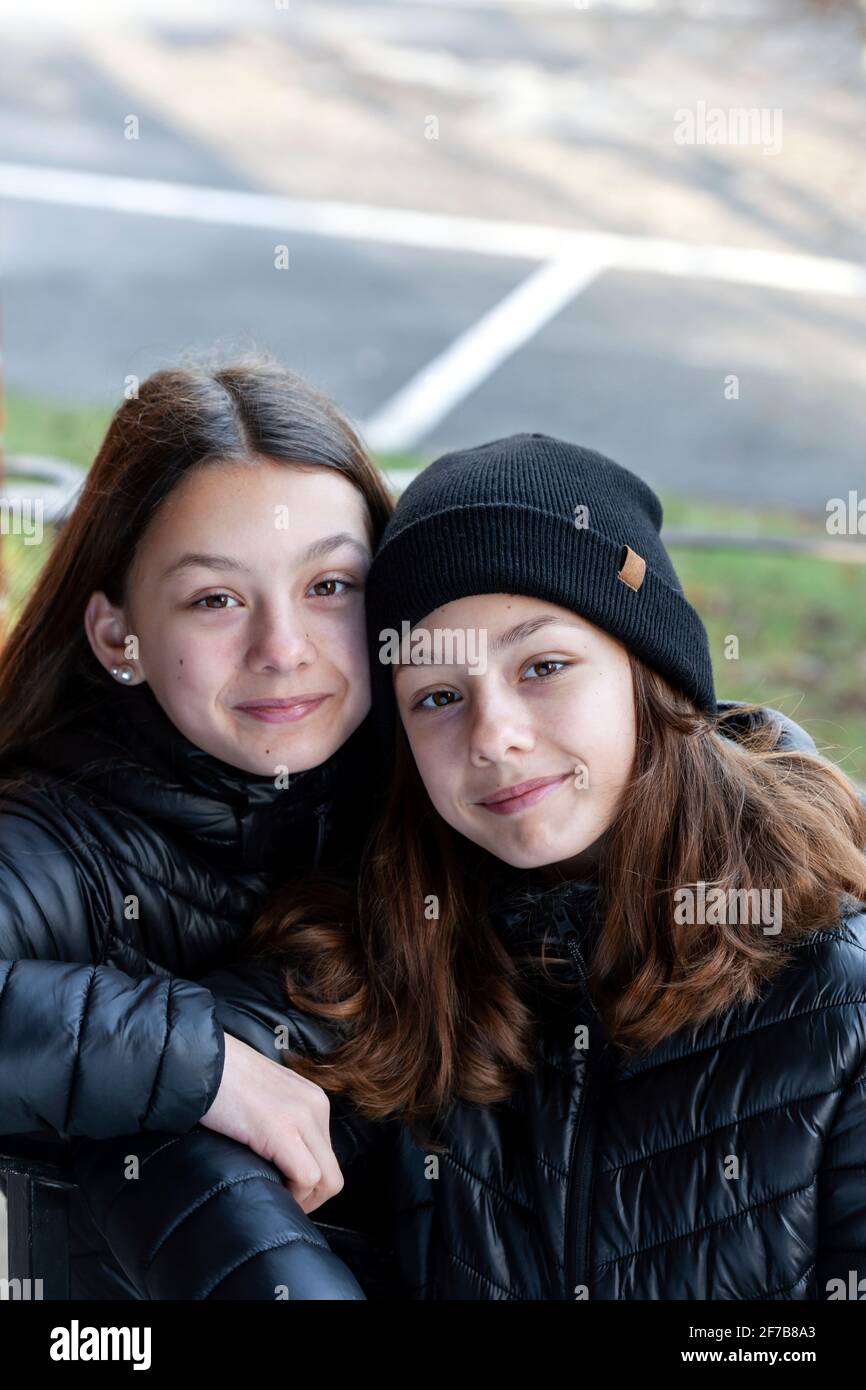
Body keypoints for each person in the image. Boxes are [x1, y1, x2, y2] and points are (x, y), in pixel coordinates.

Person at [70, 434, 866, 1300]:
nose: (493, 736)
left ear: (650, 674)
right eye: (439, 697)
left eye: (545, 666)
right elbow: (162, 1106)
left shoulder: (838, 998)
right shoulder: (393, 951)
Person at [0, 354, 392, 1299]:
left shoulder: (447, 798)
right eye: (216, 598)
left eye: (329, 586)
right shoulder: (48, 841)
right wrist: (198, 1061)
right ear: (115, 638)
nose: (283, 649)